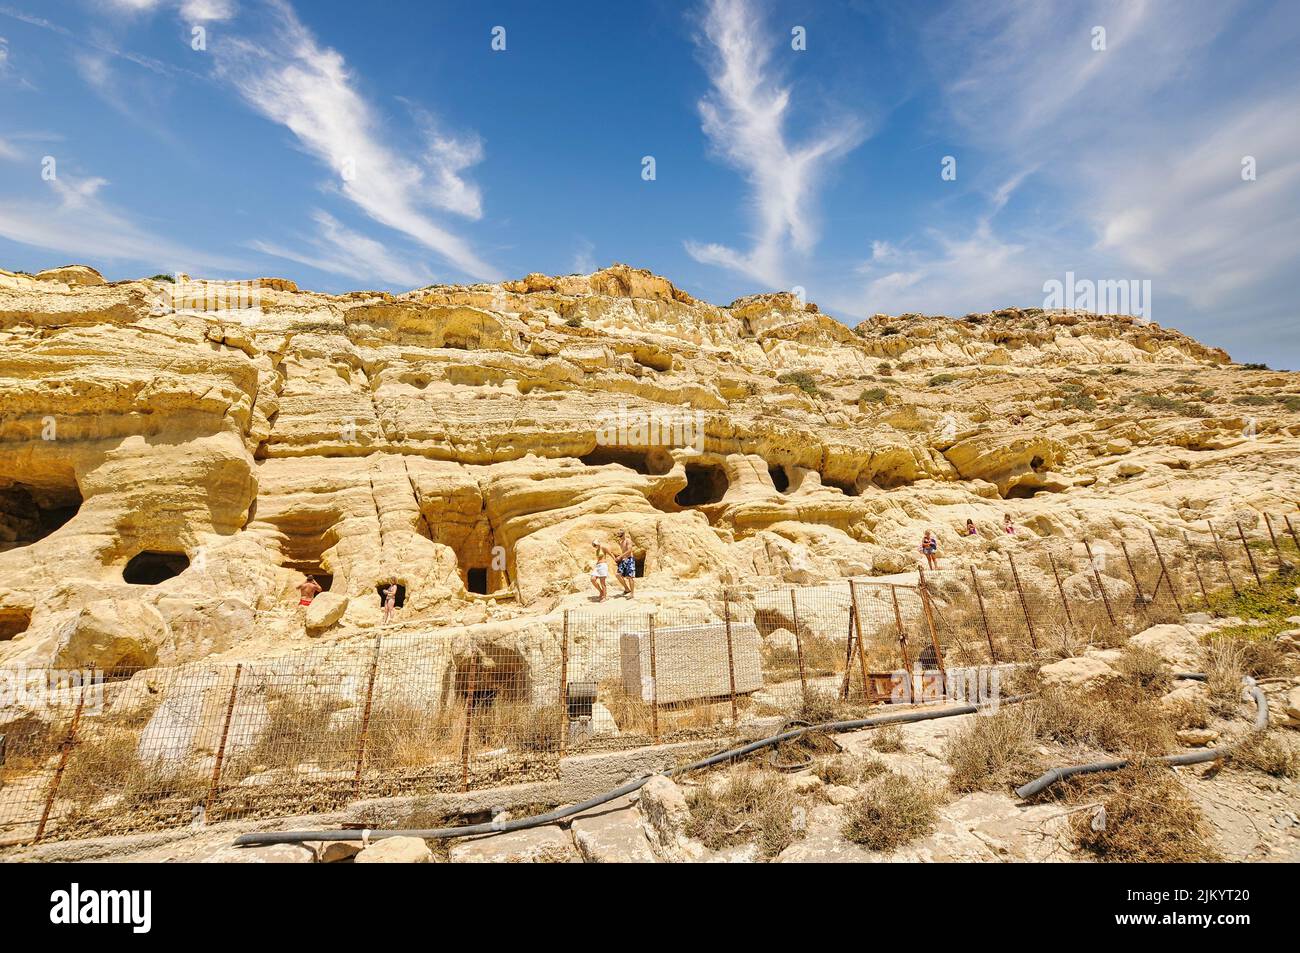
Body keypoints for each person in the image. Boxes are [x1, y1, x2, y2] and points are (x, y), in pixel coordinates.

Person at [615, 530, 637, 598]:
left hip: (629, 559)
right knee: (618, 574)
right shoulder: (620, 542)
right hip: (624, 560)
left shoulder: (628, 540)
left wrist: (620, 556)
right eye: (619, 536)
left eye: (621, 536)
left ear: (624, 534)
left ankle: (632, 593)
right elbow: (624, 551)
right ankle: (627, 589)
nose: (620, 537)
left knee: (630, 577)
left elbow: (629, 550)